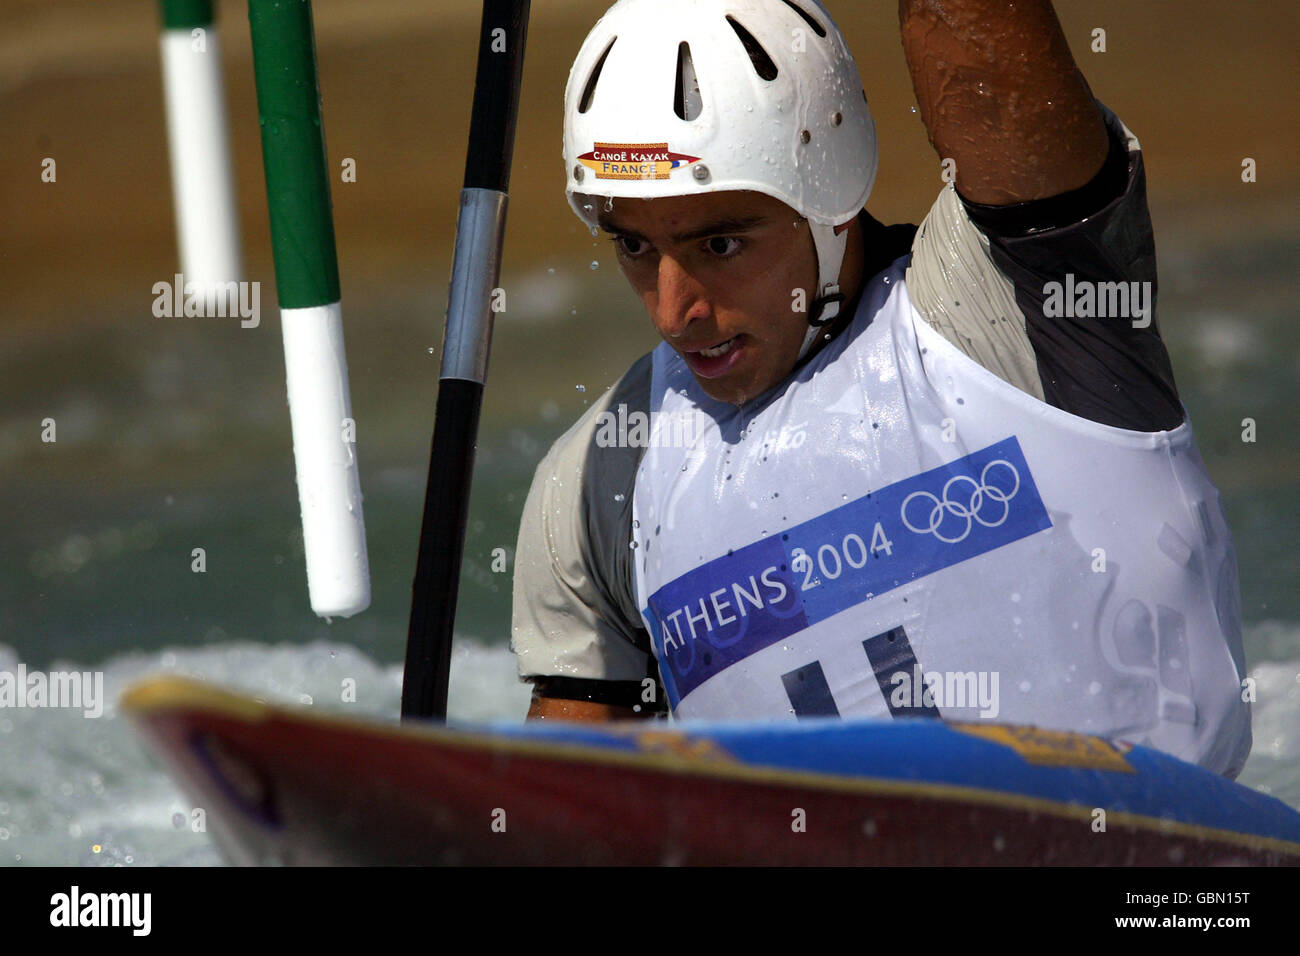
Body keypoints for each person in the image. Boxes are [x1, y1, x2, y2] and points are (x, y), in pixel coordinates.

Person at [509, 0, 1252, 778]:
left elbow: (982, 47)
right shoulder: (597, 479)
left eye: (721, 243)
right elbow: (573, 810)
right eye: (633, 245)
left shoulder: (1019, 301)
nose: (673, 311)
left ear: (824, 194)